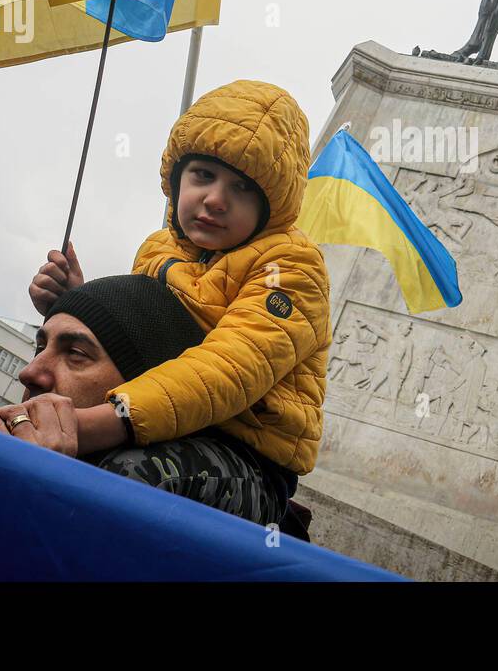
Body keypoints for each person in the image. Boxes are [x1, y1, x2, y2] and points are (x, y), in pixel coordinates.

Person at [26, 80, 331, 509]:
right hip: (152, 419)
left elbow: (230, 368)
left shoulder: (293, 267)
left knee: (131, 476)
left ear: (272, 205)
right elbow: (137, 343)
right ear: (176, 178)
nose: (215, 199)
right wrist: (76, 308)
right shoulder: (157, 247)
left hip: (245, 455)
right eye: (203, 175)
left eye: (241, 188)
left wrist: (99, 423)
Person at [0, 274, 294, 530]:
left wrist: (33, 490)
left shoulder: (148, 482)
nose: (30, 372)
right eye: (41, 346)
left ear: (141, 384)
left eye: (75, 354)